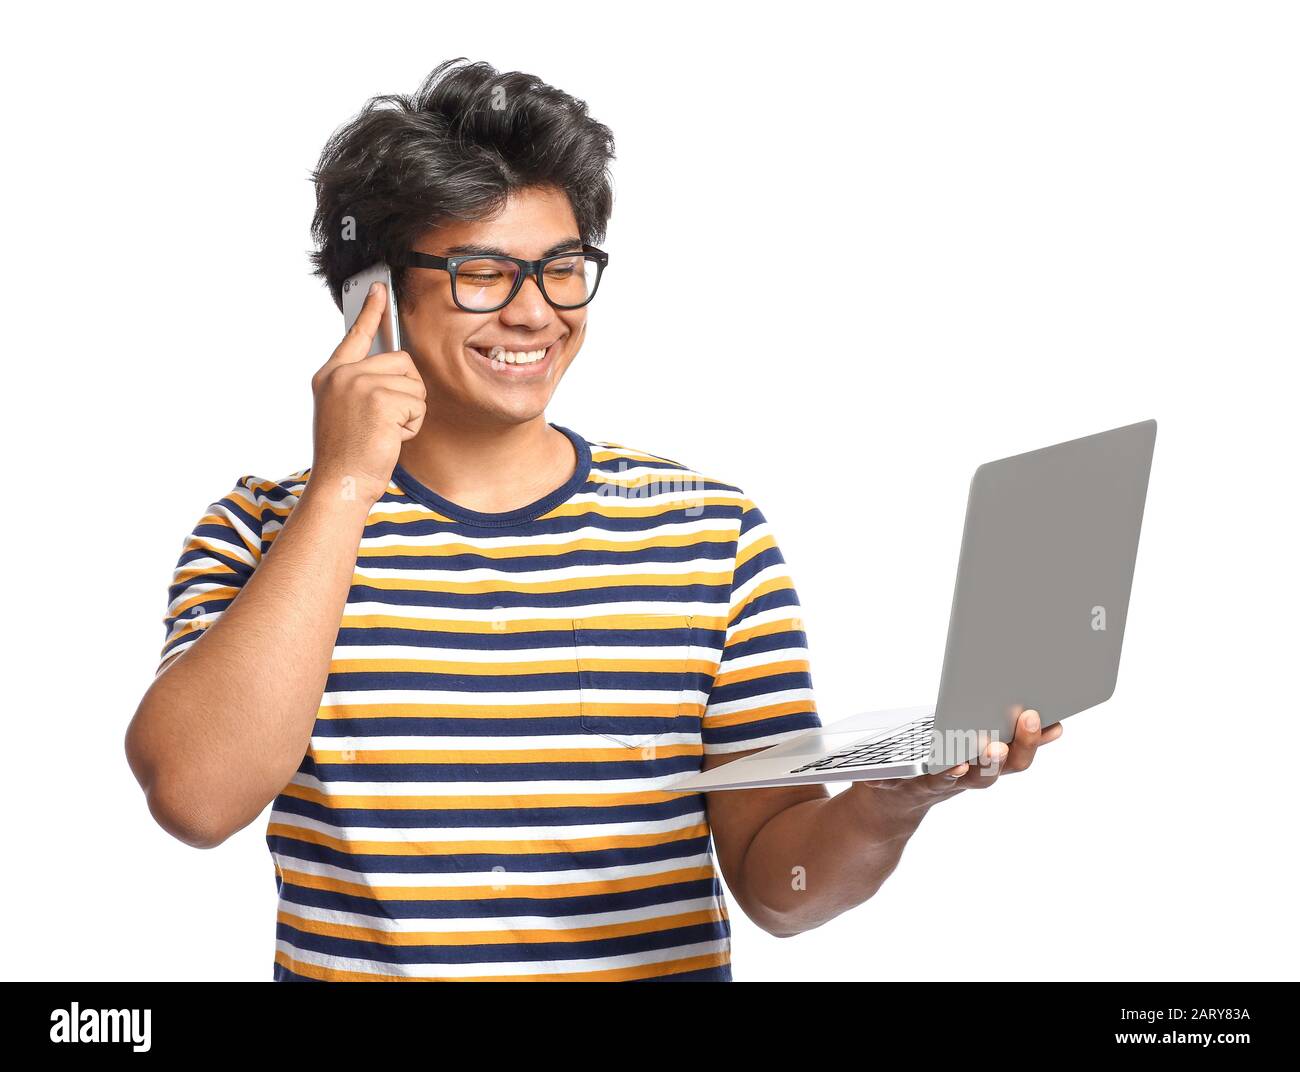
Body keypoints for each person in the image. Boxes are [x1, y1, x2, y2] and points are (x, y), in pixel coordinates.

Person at [125, 58, 1060, 982]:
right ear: (372, 294)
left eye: (562, 268)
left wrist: (889, 804)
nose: (535, 313)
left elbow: (783, 889)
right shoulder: (260, 528)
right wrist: (341, 486)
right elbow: (197, 800)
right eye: (482, 273)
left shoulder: (708, 533)